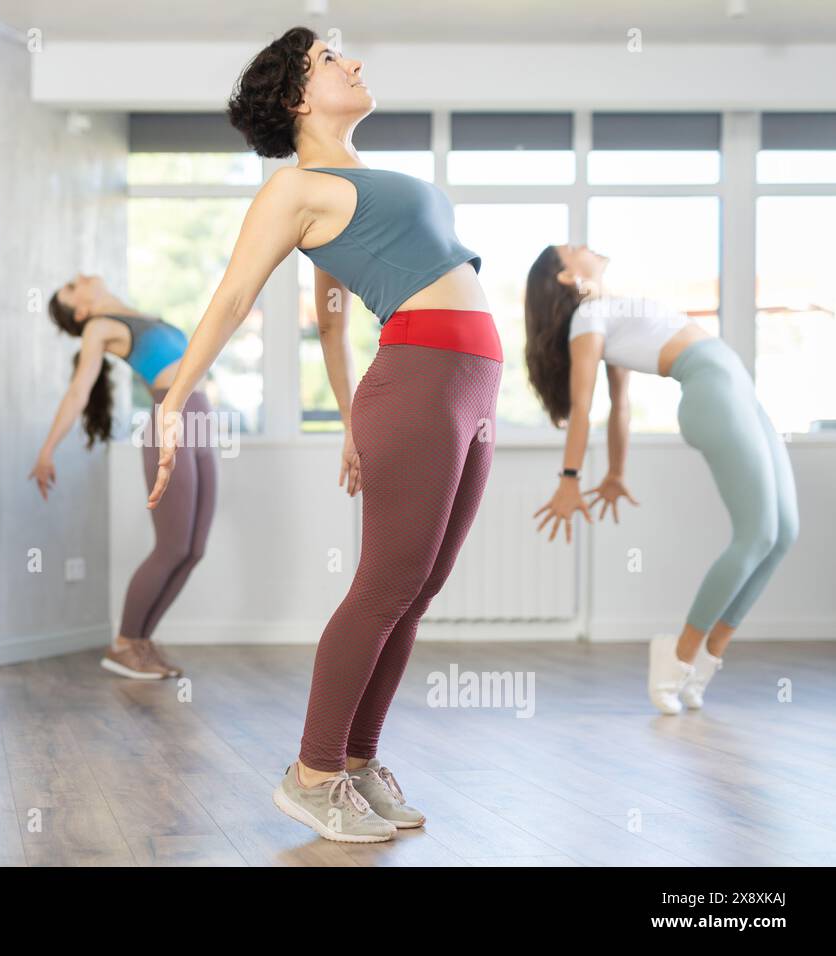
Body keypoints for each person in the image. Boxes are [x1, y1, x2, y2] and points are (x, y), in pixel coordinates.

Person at [148, 28, 501, 842]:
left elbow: (335, 325)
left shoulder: (360, 184)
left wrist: (350, 423)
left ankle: (356, 762)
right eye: (330, 59)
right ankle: (312, 773)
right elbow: (234, 296)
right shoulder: (294, 189)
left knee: (419, 588)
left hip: (465, 386)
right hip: (419, 379)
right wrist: (176, 399)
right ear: (297, 99)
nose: (355, 62)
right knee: (385, 584)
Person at [525, 243, 798, 715]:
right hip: (712, 391)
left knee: (782, 535)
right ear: (567, 277)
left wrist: (613, 473)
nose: (585, 245)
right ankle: (677, 658)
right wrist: (570, 477)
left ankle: (704, 662)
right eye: (572, 249)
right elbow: (585, 406)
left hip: (739, 391)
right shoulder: (587, 320)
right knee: (756, 534)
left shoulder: (609, 312)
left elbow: (621, 404)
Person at [31, 274, 216, 680]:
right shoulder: (99, 328)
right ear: (80, 311)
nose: (79, 279)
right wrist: (47, 450)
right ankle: (123, 644)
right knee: (172, 545)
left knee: (194, 548)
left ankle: (140, 643)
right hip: (170, 420)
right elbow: (79, 391)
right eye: (70, 286)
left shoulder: (143, 316)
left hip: (200, 418)